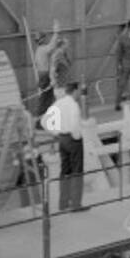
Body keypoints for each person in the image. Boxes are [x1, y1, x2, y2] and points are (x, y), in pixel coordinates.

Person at [42, 81, 86, 213]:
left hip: (62, 139)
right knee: (77, 172)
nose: (80, 93)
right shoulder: (74, 105)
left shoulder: (58, 103)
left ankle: (63, 203)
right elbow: (74, 124)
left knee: (65, 171)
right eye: (79, 90)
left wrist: (57, 132)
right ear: (75, 90)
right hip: (73, 140)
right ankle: (76, 204)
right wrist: (76, 137)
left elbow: (44, 121)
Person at [33, 32, 55, 116]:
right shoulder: (42, 49)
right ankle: (39, 117)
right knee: (46, 97)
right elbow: (51, 47)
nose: (46, 39)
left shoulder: (38, 51)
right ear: (42, 39)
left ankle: (42, 116)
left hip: (42, 75)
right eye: (44, 38)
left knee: (46, 97)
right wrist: (56, 33)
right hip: (45, 75)